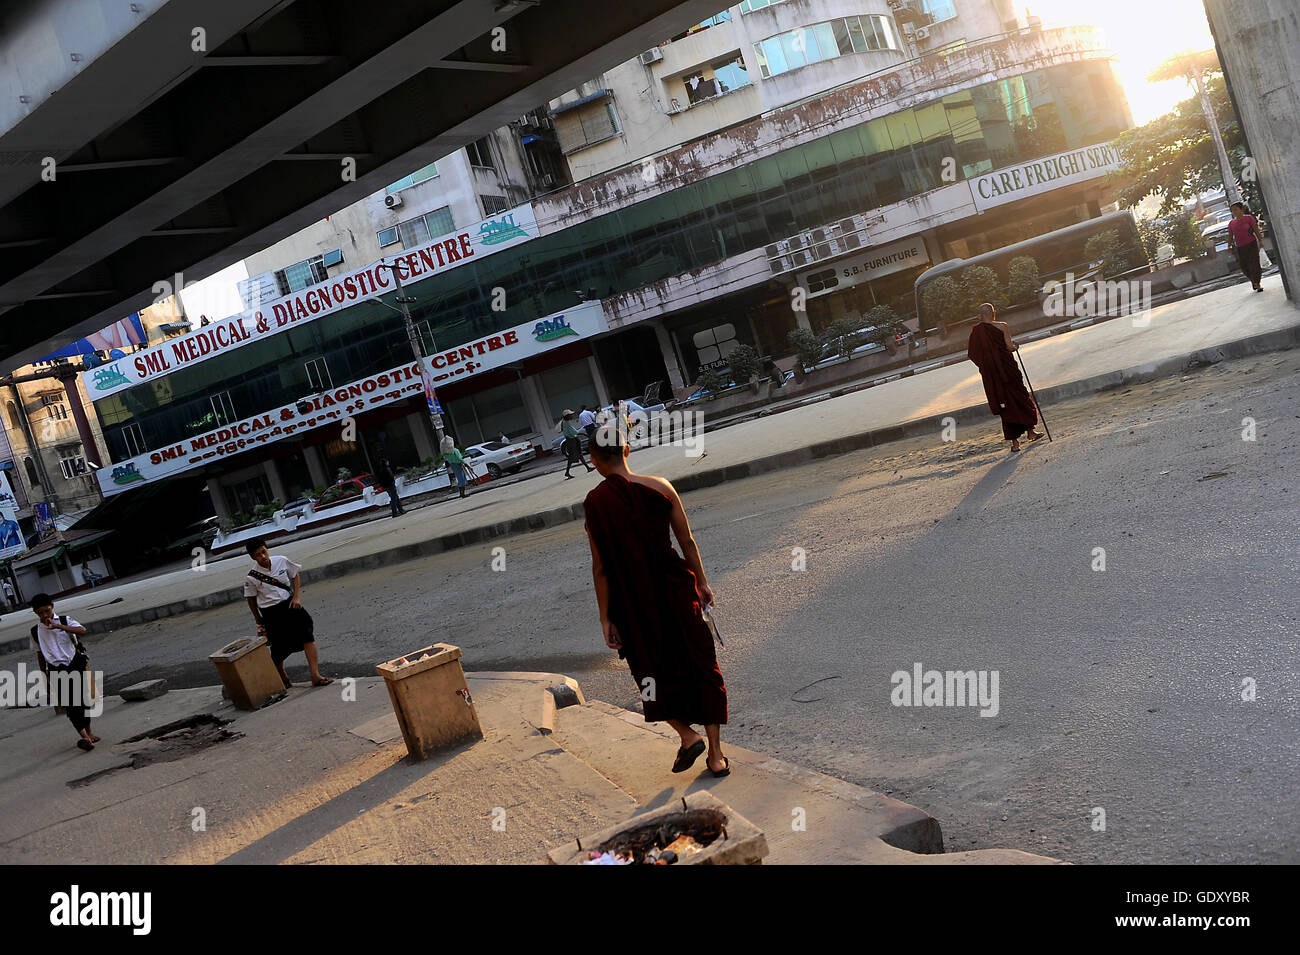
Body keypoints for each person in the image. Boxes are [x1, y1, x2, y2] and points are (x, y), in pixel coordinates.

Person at [583, 426, 730, 777]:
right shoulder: (661, 486)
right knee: (701, 665)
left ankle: (686, 734)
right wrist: (703, 583)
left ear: (594, 460)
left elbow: (600, 568)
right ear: (627, 451)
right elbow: (687, 542)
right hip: (677, 591)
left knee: (649, 672)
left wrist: (605, 617)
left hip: (633, 604)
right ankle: (715, 756)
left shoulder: (595, 503)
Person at [242, 539, 333, 689]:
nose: (263, 557)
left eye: (264, 551)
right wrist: (259, 621)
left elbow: (295, 575)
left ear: (267, 549)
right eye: (258, 555)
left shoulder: (281, 561)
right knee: (279, 647)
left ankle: (315, 676)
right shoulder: (252, 577)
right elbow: (251, 600)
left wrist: (296, 596)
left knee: (307, 635)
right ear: (253, 558)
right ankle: (282, 675)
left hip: (290, 604)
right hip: (271, 613)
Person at [967, 303, 1045, 452]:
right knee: (1020, 398)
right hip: (1008, 370)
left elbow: (972, 354)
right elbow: (1009, 347)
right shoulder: (1002, 326)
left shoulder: (977, 332)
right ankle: (1030, 432)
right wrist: (1015, 346)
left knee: (1005, 404)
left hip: (994, 375)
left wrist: (987, 366)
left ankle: (1015, 443)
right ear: (994, 313)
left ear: (980, 317)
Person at [29, 594, 98, 752]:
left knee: (83, 700)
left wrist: (59, 626)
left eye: (46, 611)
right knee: (70, 705)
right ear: (35, 613)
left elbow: (82, 630)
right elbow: (40, 654)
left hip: (74, 663)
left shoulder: (65, 620)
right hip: (55, 668)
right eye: (40, 613)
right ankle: (84, 737)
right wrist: (44, 675)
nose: (45, 615)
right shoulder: (35, 632)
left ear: (52, 606)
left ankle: (89, 732)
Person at [1227, 202, 1264, 293]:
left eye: (1236, 209)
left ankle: (1257, 283)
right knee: (1244, 266)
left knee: (1254, 263)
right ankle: (1253, 281)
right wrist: (1229, 246)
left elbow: (1256, 229)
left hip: (1251, 244)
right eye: (1232, 210)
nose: (1234, 212)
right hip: (1240, 247)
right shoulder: (1232, 223)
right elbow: (1230, 236)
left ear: (1241, 209)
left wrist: (1260, 240)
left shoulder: (1248, 218)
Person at [556, 409, 594, 479]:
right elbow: (574, 432)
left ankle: (587, 467)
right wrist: (584, 434)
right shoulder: (566, 423)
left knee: (579, 454)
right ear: (567, 416)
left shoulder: (565, 422)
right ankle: (567, 472)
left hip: (572, 440)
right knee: (571, 457)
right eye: (570, 415)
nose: (572, 416)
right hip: (571, 441)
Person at [440, 434, 470, 498]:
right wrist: (465, 463)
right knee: (462, 479)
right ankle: (463, 493)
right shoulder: (455, 450)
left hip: (453, 465)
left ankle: (461, 493)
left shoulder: (447, 453)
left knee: (459, 478)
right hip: (458, 464)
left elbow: (447, 458)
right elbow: (459, 458)